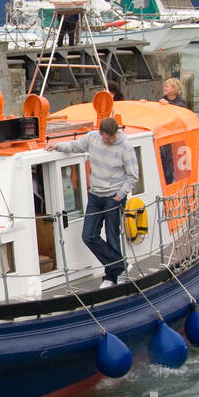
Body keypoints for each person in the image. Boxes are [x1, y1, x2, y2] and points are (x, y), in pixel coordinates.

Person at [50, 115, 139, 287]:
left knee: (113, 236)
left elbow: (133, 176)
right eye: (107, 138)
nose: (111, 140)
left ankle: (111, 276)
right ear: (100, 133)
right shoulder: (92, 138)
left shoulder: (125, 147)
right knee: (88, 236)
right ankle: (121, 266)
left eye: (113, 137)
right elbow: (76, 146)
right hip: (95, 195)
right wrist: (57, 146)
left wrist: (119, 196)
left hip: (114, 197)